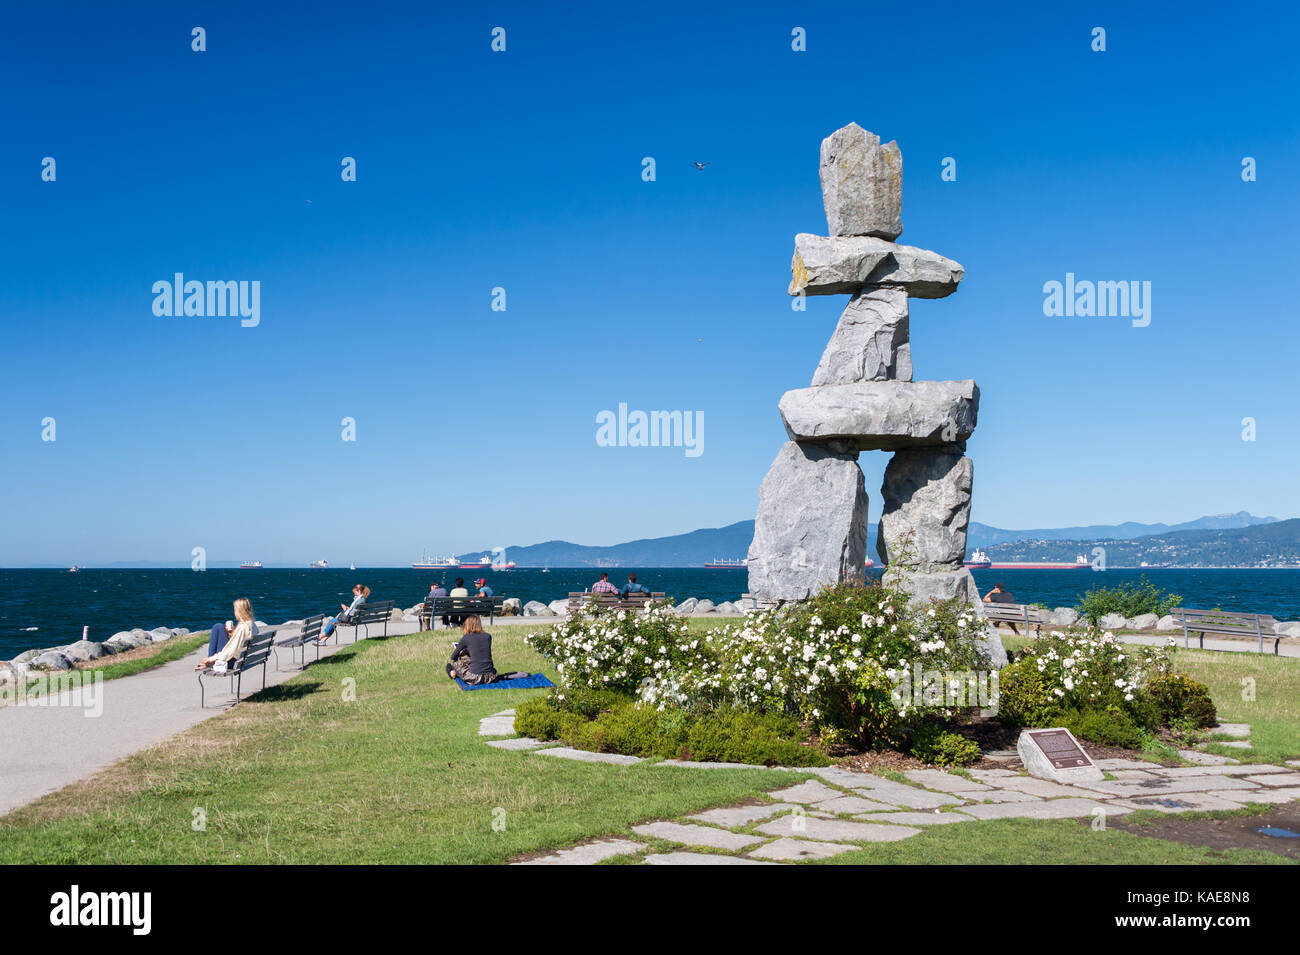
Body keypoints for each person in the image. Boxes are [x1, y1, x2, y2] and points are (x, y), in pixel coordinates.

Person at [195, 599, 257, 671]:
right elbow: (240, 642)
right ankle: (210, 662)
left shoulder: (242, 628)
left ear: (240, 612)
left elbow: (229, 652)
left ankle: (209, 663)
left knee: (217, 627)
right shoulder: (251, 624)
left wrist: (210, 659)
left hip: (234, 662)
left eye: (235, 610)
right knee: (220, 627)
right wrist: (233, 633)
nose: (234, 613)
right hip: (244, 659)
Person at [445, 615, 498, 685]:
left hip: (475, 678)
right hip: (491, 676)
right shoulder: (488, 636)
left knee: (453, 664)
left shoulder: (466, 638)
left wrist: (461, 652)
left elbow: (453, 657)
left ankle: (452, 673)